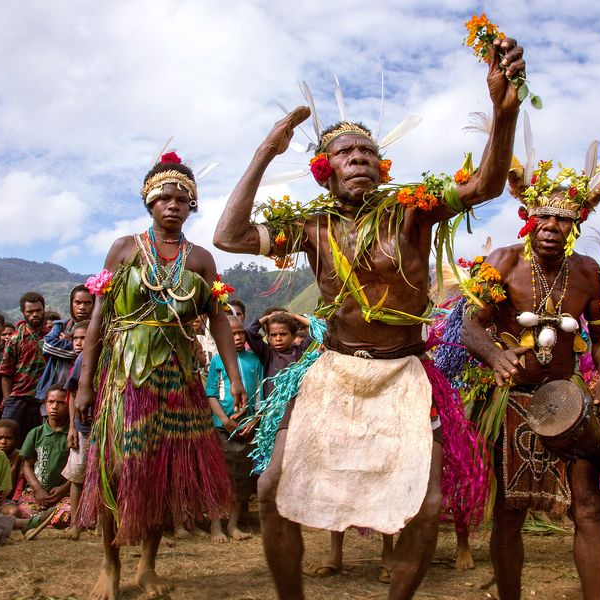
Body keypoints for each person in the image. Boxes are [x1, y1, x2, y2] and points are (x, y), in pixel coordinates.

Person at [214, 32, 525, 598]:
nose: (358, 159)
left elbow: (486, 184)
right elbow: (228, 237)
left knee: (426, 505)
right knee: (270, 488)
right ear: (324, 169)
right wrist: (265, 153)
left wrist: (505, 115)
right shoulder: (311, 229)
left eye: (367, 153)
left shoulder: (413, 214)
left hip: (404, 374)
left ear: (383, 167)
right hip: (333, 372)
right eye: (344, 154)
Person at [461, 111, 600, 599]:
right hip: (510, 403)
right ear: (530, 217)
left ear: (577, 222)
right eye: (546, 216)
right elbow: (469, 323)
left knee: (588, 508)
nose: (554, 225)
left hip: (571, 400)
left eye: (565, 217)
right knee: (510, 511)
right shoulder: (504, 262)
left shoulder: (588, 272)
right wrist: (494, 355)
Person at [74, 152, 244, 600]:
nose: (173, 204)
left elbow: (220, 320)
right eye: (164, 197)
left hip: (179, 378)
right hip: (126, 375)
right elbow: (98, 317)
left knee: (165, 473)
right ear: (150, 203)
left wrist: (233, 377)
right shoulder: (125, 248)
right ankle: (110, 566)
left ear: (191, 207)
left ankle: (147, 567)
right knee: (116, 467)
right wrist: (85, 382)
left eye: (183, 199)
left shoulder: (202, 260)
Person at [207, 314, 263, 542]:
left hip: (248, 427)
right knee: (220, 477)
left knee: (242, 478)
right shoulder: (217, 362)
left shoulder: (255, 360)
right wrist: (224, 419)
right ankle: (215, 525)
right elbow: (211, 393)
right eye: (232, 334)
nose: (238, 337)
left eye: (240, 333)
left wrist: (255, 420)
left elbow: (261, 393)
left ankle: (233, 524)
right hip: (222, 428)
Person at [16, 384, 72, 536]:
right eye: (51, 402)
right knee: (22, 511)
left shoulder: (72, 435)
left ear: (69, 406)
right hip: (36, 494)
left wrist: (64, 489)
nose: (55, 407)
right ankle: (44, 521)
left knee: (69, 510)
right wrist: (37, 489)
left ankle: (38, 523)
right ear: (44, 405)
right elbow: (27, 466)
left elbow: (80, 468)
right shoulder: (35, 433)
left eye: (61, 403)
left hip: (64, 494)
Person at [0, 292, 47, 442]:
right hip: (18, 397)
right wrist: (7, 399)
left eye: (38, 310)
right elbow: (6, 372)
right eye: (30, 312)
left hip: (43, 399)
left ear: (44, 310)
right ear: (23, 313)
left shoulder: (51, 337)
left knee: (38, 441)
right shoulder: (15, 338)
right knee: (8, 438)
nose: (34, 315)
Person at [35, 285, 95, 402]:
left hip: (84, 392)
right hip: (56, 391)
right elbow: (48, 346)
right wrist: (84, 350)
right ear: (71, 303)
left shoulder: (99, 329)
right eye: (78, 302)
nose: (82, 307)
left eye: (87, 303)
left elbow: (99, 351)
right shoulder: (61, 325)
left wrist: (67, 343)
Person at [61, 320, 89, 540]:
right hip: (83, 426)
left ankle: (101, 523)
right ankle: (75, 523)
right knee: (78, 475)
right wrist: (71, 427)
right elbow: (71, 393)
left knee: (105, 475)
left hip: (106, 426)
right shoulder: (83, 359)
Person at [246, 311, 311, 401]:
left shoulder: (301, 351)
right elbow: (250, 331)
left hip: (299, 404)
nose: (278, 339)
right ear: (268, 337)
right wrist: (267, 317)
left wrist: (294, 316)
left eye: (283, 334)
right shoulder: (267, 354)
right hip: (274, 409)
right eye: (273, 335)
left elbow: (319, 328)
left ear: (294, 336)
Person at [0, 419, 25, 500]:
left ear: (16, 441)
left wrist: (15, 500)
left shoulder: (20, 457)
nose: (3, 442)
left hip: (12, 498)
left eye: (8, 438)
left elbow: (20, 482)